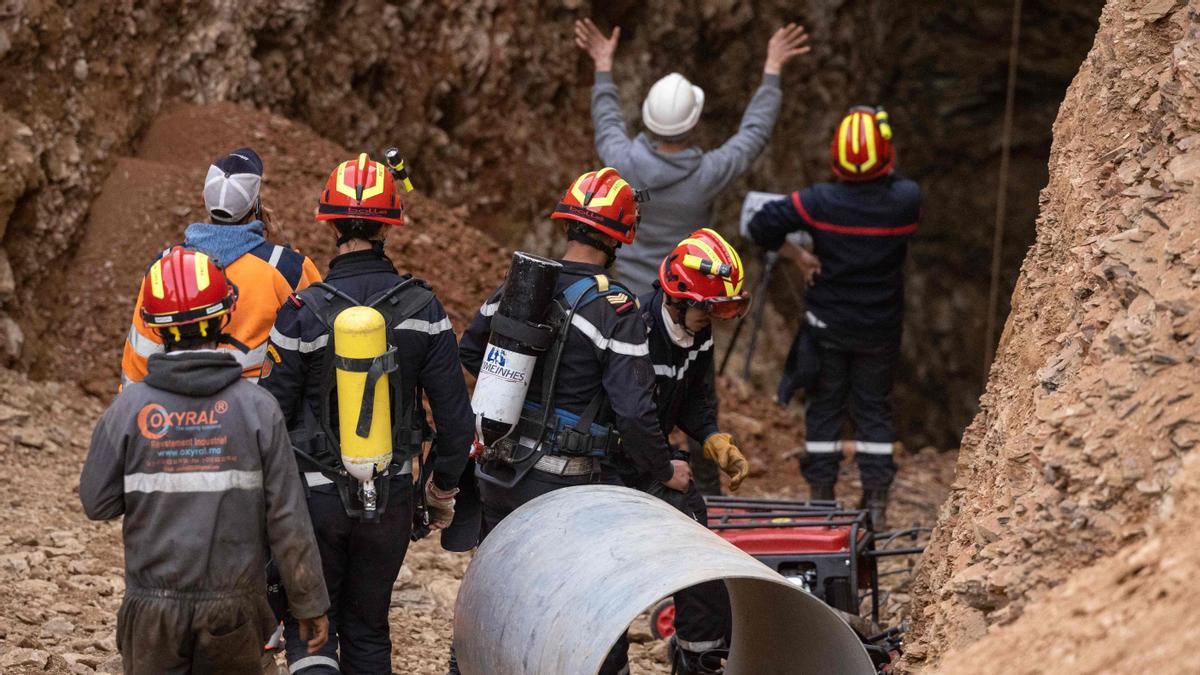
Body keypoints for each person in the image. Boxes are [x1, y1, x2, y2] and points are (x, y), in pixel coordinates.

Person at [457, 167, 688, 675]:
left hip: (498, 473)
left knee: (499, 599)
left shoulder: (521, 286)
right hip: (563, 488)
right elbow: (633, 409)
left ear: (567, 225)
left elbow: (471, 350)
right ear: (621, 237)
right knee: (590, 622)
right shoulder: (615, 306)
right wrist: (665, 468)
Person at [260, 153, 474, 674]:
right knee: (370, 628)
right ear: (388, 227)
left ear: (330, 222)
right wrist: (438, 493)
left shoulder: (301, 310)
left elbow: (268, 417)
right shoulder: (424, 309)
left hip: (313, 501)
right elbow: (458, 424)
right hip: (392, 498)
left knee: (312, 629)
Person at [575, 18, 809, 495]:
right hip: (686, 305)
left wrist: (602, 65)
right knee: (691, 390)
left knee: (627, 392)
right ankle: (701, 484)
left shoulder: (623, 161)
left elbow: (607, 121)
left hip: (625, 304)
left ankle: (626, 475)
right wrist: (771, 69)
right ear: (694, 121)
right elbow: (753, 135)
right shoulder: (706, 174)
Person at [81, 246, 330, 675]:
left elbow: (96, 502)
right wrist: (308, 602)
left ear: (156, 328)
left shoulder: (129, 409)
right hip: (233, 612)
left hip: (151, 614)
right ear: (224, 316)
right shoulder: (258, 409)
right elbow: (287, 519)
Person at [748, 106, 921, 529]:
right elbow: (893, 181)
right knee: (873, 409)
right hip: (879, 328)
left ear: (835, 159)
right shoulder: (906, 201)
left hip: (827, 326)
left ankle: (821, 498)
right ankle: (876, 503)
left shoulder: (818, 203)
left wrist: (799, 255)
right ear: (886, 157)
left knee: (824, 407)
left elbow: (760, 226)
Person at [640, 228, 753, 674]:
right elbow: (630, 413)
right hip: (614, 461)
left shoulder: (695, 331)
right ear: (677, 299)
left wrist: (712, 438)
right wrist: (662, 466)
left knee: (704, 571)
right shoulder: (637, 329)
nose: (713, 319)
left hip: (651, 452)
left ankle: (698, 661)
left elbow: (693, 398)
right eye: (708, 309)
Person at [122, 147, 321, 386]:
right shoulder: (287, 268)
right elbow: (315, 343)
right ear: (256, 206)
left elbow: (140, 359)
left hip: (179, 411)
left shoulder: (163, 269)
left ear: (203, 200)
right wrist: (285, 248)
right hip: (259, 413)